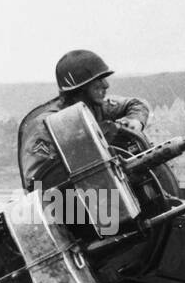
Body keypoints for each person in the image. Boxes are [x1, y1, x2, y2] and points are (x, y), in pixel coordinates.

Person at [17, 50, 150, 191]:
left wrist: (135, 121)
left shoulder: (95, 107)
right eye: (98, 80)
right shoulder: (45, 125)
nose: (106, 85)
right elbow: (38, 181)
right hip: (62, 201)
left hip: (95, 191)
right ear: (80, 88)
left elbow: (136, 104)